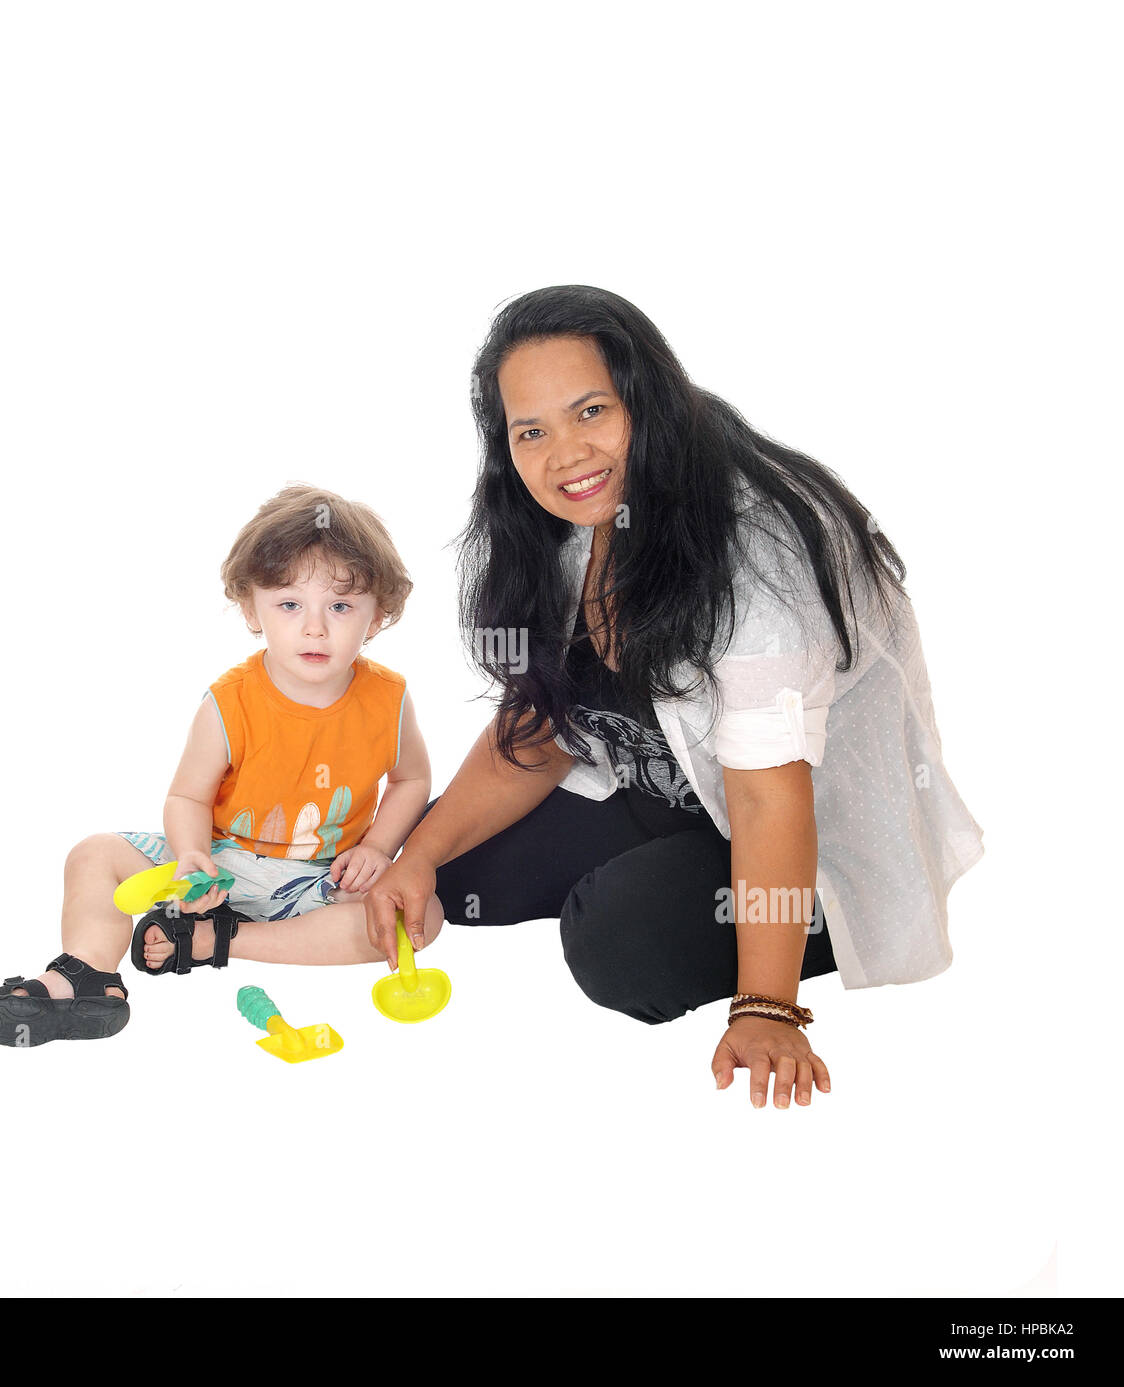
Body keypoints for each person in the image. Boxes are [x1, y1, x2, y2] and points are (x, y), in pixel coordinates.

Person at [363, 284, 985, 1109]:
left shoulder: (758, 560)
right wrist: (418, 856)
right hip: (681, 790)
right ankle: (651, 869)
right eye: (532, 431)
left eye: (591, 411)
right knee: (448, 869)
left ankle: (803, 932)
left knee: (618, 945)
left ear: (646, 399)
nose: (565, 455)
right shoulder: (569, 524)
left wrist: (767, 1007)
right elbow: (543, 723)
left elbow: (769, 800)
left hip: (802, 828)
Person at [0, 484, 444, 1047]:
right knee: (93, 852)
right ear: (251, 608)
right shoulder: (230, 700)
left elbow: (411, 778)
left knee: (422, 916)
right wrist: (191, 856)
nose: (315, 627)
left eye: (340, 606)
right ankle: (87, 975)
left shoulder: (389, 698)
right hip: (213, 865)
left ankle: (215, 941)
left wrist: (378, 848)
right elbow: (188, 797)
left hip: (319, 878)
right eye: (290, 604)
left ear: (378, 614)